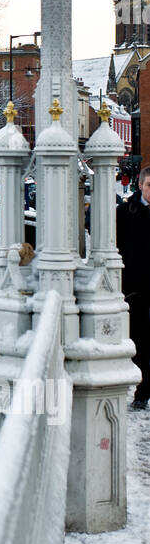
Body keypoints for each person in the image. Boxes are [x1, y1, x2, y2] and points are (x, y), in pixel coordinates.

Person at [116, 166, 150, 410]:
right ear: (140, 185)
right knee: (137, 339)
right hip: (136, 286)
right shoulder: (127, 211)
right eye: (149, 186)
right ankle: (144, 384)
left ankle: (144, 391)